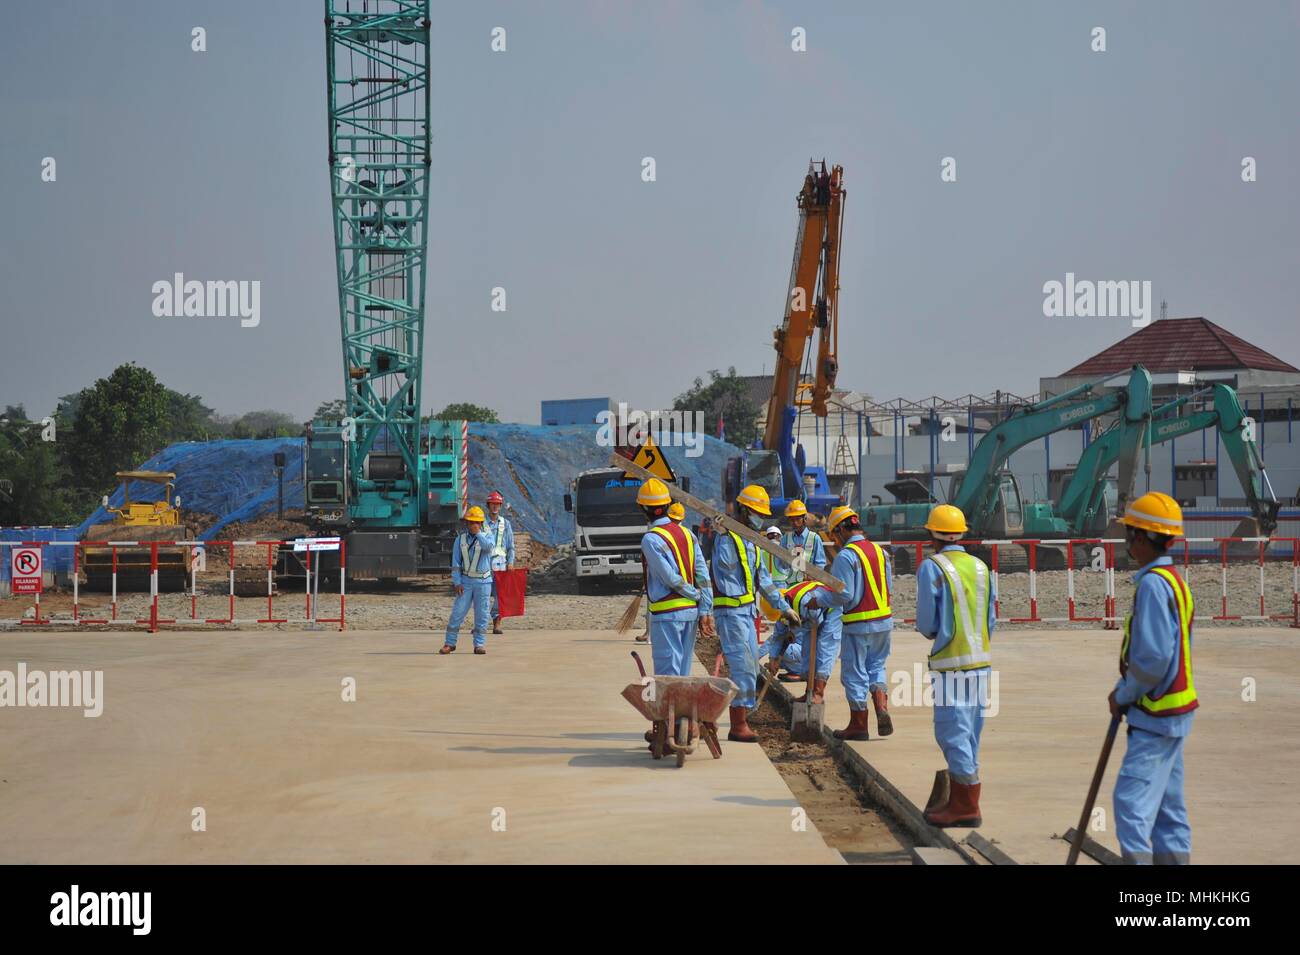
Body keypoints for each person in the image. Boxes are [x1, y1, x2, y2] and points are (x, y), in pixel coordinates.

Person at [1110, 492, 1197, 865]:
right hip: (1176, 712)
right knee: (1167, 808)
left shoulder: (1152, 585)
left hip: (1155, 714)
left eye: (1130, 535)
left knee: (1131, 804)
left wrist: (1124, 693)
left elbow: (1153, 659)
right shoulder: (1174, 580)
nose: (1128, 543)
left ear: (1142, 539)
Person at [914, 503, 995, 827]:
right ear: (961, 533)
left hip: (951, 664)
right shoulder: (979, 567)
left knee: (952, 733)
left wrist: (939, 632)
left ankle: (965, 804)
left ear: (932, 536)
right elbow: (991, 619)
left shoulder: (932, 568)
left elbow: (926, 623)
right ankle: (964, 797)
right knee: (971, 732)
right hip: (981, 662)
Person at [712, 485, 800, 742]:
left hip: (746, 612)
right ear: (744, 510)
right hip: (731, 612)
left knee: (750, 666)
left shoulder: (752, 541)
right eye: (755, 512)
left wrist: (784, 608)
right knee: (743, 668)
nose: (759, 517)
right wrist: (719, 527)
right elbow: (724, 571)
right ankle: (738, 725)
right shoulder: (726, 537)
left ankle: (741, 717)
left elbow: (764, 579)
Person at [816, 505, 894, 741]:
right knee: (877, 667)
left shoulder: (846, 556)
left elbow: (844, 595)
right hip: (883, 622)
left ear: (840, 530)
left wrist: (818, 600)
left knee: (854, 672)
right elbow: (888, 587)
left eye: (834, 535)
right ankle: (881, 706)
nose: (835, 541)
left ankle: (859, 724)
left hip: (858, 624)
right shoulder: (881, 552)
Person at [638, 479, 712, 678]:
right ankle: (681, 710)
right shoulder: (688, 534)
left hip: (667, 614)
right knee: (682, 674)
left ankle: (672, 710)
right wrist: (705, 607)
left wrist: (695, 594)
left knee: (668, 678)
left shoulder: (651, 539)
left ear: (644, 508)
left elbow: (670, 578)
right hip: (690, 614)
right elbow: (703, 575)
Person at [441, 506, 496, 655]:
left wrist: (479, 534)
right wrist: (457, 582)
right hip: (465, 582)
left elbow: (489, 548)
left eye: (477, 522)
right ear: (467, 523)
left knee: (482, 614)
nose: (474, 525)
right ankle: (449, 643)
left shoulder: (487, 536)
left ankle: (479, 644)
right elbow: (456, 563)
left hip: (483, 583)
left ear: (481, 523)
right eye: (471, 522)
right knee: (457, 613)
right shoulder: (460, 539)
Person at [761, 579, 831, 687]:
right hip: (810, 619)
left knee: (790, 652)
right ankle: (805, 672)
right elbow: (777, 637)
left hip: (829, 615)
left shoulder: (803, 604)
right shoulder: (785, 603)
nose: (780, 620)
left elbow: (814, 633)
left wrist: (796, 631)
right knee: (782, 655)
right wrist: (773, 659)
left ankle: (811, 678)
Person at [484, 491, 515, 635]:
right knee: (482, 595)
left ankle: (497, 622)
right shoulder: (481, 523)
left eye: (497, 504)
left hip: (501, 564)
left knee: (500, 595)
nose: (495, 507)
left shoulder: (505, 523)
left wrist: (510, 562)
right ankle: (481, 623)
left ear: (500, 506)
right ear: (488, 505)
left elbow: (510, 546)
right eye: (492, 504)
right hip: (484, 564)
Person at [782, 499, 827, 585]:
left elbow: (820, 564)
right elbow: (782, 565)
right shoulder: (785, 538)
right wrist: (790, 556)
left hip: (809, 586)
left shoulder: (815, 538)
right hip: (789, 586)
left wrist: (813, 576)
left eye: (798, 519)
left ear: (805, 519)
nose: (795, 523)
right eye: (792, 520)